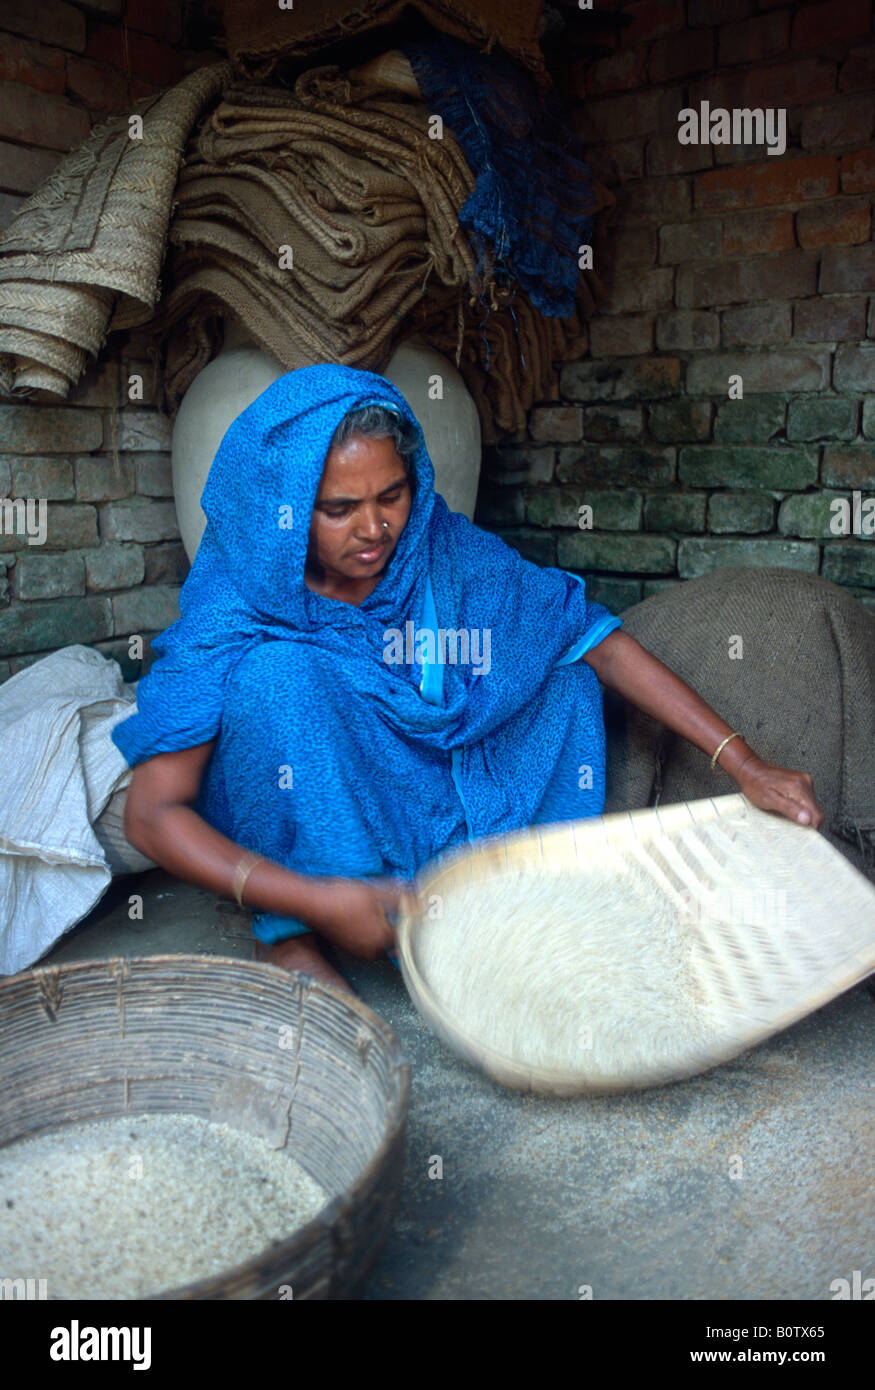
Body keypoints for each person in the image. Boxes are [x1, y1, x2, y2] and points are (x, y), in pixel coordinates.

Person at [115, 364, 824, 993]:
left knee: (564, 674)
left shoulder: (438, 546)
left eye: (390, 495)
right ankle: (295, 938)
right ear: (284, 509)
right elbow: (150, 815)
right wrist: (309, 897)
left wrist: (742, 762)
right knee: (278, 677)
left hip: (438, 782)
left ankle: (482, 891)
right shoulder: (240, 600)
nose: (374, 530)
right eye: (338, 510)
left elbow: (595, 639)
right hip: (320, 820)